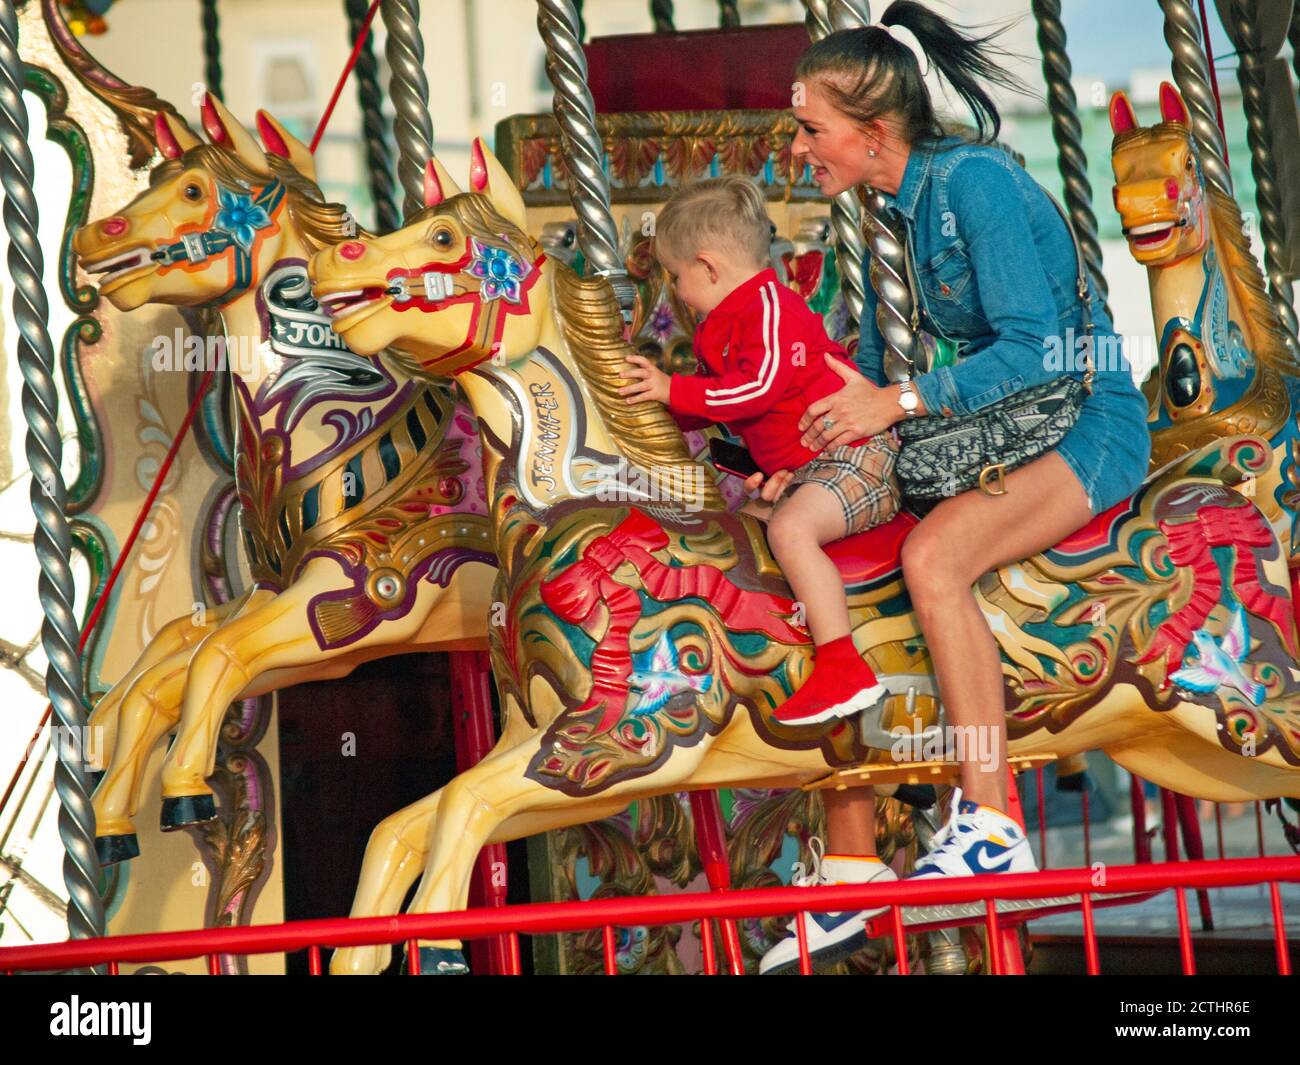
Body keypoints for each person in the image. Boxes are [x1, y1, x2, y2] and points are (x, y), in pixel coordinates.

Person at [753, 0, 1152, 974]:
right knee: (831, 558)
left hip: (1083, 420)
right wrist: (807, 442)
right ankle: (850, 866)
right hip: (989, 423)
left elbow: (1030, 350)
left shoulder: (973, 184)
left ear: (871, 131)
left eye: (812, 130)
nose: (801, 148)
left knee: (934, 557)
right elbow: (855, 355)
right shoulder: (888, 212)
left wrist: (898, 401)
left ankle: (988, 816)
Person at [619, 175, 902, 725]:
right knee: (735, 533)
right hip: (805, 473)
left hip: (856, 457)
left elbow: (757, 389)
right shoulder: (719, 327)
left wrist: (671, 388)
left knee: (789, 531)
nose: (677, 291)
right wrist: (651, 407)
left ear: (707, 267)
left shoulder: (771, 309)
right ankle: (772, 655)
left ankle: (843, 666)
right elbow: (716, 405)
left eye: (677, 277)